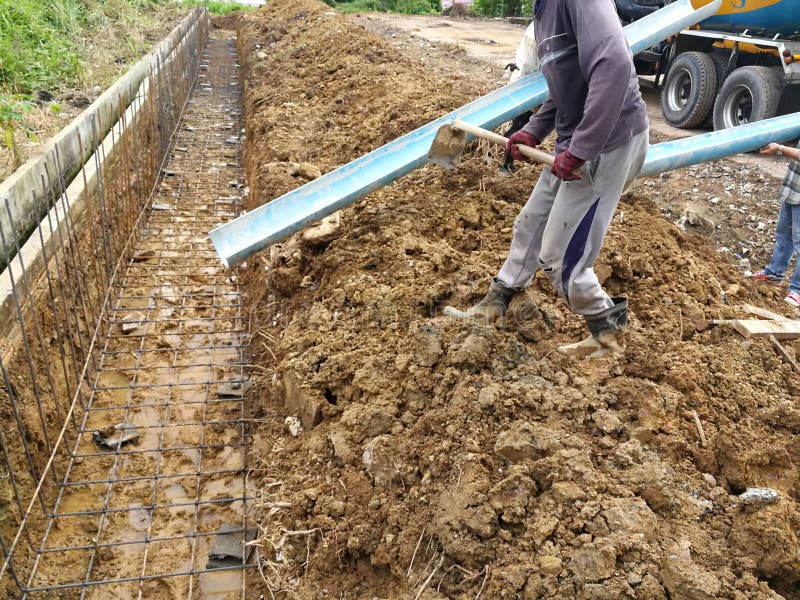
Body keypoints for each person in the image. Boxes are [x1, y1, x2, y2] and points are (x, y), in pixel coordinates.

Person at [444, 0, 650, 358]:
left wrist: (582, 150)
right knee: (530, 224)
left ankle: (607, 333)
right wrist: (533, 130)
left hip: (607, 143)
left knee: (560, 257)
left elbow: (614, 66)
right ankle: (497, 303)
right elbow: (567, 82)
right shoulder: (544, 11)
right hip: (577, 141)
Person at [748, 142, 800, 307]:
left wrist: (780, 148)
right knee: (784, 234)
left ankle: (797, 290)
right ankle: (774, 273)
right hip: (794, 188)